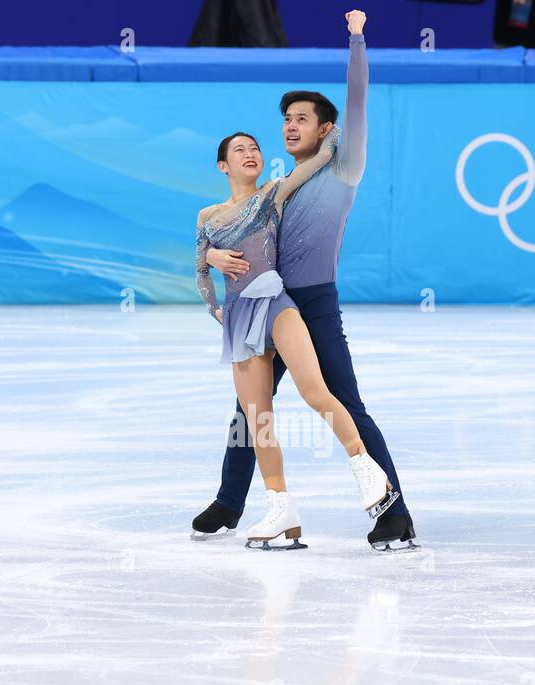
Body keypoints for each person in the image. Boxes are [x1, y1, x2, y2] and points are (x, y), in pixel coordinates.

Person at [193, 8, 418, 552]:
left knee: (343, 400)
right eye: (286, 119)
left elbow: (358, 98)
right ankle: (230, 500)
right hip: (262, 305)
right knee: (248, 412)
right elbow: (222, 236)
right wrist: (213, 260)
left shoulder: (345, 163)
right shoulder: (275, 187)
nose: (290, 125)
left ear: (327, 128)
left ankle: (394, 512)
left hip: (311, 304)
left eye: (301, 118)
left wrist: (358, 40)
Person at [195, 127, 396, 550]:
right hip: (239, 316)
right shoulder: (208, 216)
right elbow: (199, 269)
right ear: (222, 164)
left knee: (315, 390)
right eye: (239, 150)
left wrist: (332, 133)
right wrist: (216, 299)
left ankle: (365, 469)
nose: (250, 153)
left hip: (276, 303)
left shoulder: (272, 194)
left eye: (254, 148)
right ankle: (280, 505)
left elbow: (317, 162)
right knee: (256, 418)